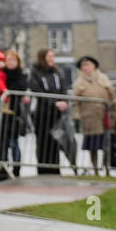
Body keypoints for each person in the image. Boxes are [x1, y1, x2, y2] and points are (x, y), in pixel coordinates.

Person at [71, 55, 116, 176]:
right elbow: (75, 102)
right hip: (89, 119)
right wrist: (76, 116)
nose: (85, 68)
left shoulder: (104, 79)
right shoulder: (79, 83)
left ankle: (107, 169)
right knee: (93, 146)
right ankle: (96, 170)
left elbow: (113, 96)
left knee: (107, 145)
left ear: (94, 66)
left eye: (88, 65)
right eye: (83, 66)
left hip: (106, 118)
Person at [29, 47, 70, 175]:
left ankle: (55, 169)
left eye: (53, 56)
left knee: (55, 142)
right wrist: (53, 103)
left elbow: (63, 88)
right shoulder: (35, 72)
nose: (52, 59)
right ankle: (43, 169)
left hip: (56, 114)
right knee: (42, 142)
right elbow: (36, 89)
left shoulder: (57, 72)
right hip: (42, 113)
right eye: (49, 56)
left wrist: (64, 101)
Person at [0, 49, 30, 179]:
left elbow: (20, 88)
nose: (10, 62)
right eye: (8, 60)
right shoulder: (0, 73)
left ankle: (16, 169)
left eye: (13, 60)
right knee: (2, 143)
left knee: (14, 142)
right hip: (2, 113)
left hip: (15, 113)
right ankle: (2, 169)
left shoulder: (21, 75)